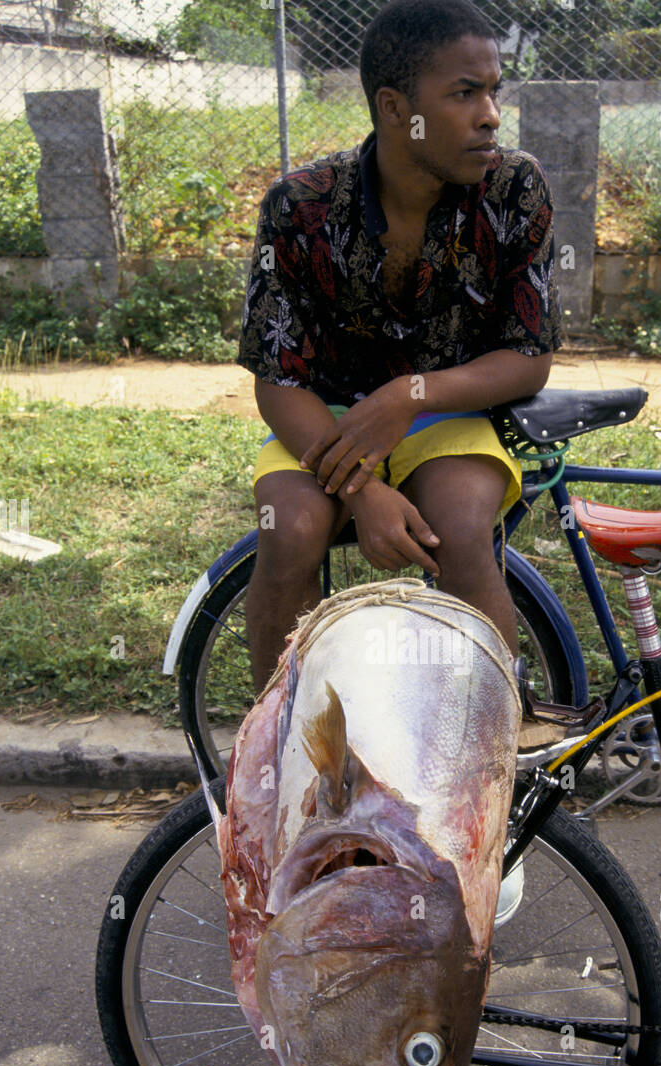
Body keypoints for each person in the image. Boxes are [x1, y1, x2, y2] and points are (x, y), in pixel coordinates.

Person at [237, 0, 564, 694]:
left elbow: (528, 353)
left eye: (492, 90)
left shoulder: (513, 189)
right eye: (463, 93)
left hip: (445, 415)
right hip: (323, 421)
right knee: (289, 529)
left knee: (460, 530)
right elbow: (276, 376)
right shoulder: (301, 206)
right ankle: (284, 743)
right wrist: (361, 491)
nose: (489, 115)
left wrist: (407, 395)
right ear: (395, 107)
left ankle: (486, 746)